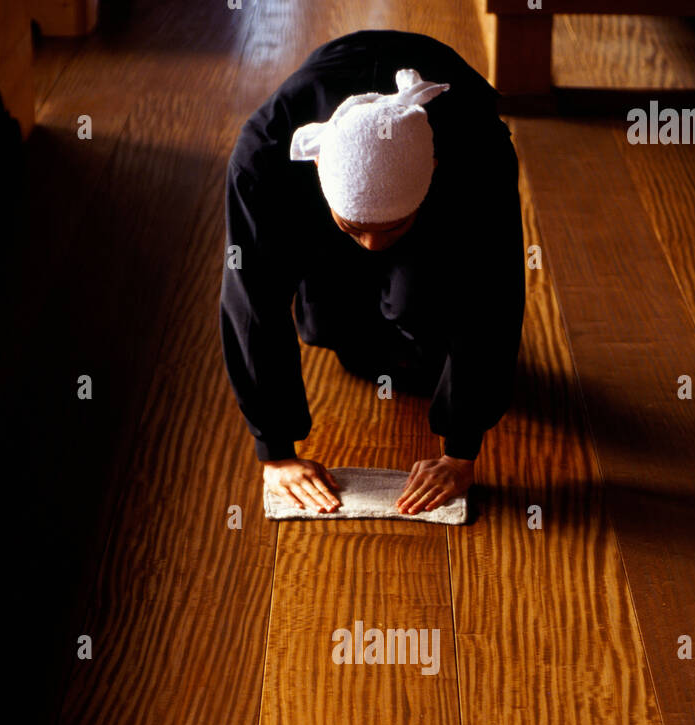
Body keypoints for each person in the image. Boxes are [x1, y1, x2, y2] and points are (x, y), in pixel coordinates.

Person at [219, 29, 525, 515]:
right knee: (325, 325)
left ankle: (413, 315)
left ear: (435, 167)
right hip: (310, 180)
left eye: (393, 227)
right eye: (355, 228)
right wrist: (274, 452)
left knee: (419, 310)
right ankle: (367, 300)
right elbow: (251, 299)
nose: (374, 246)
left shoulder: (478, 151)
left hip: (448, 168)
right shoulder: (264, 156)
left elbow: (493, 291)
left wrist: (460, 450)